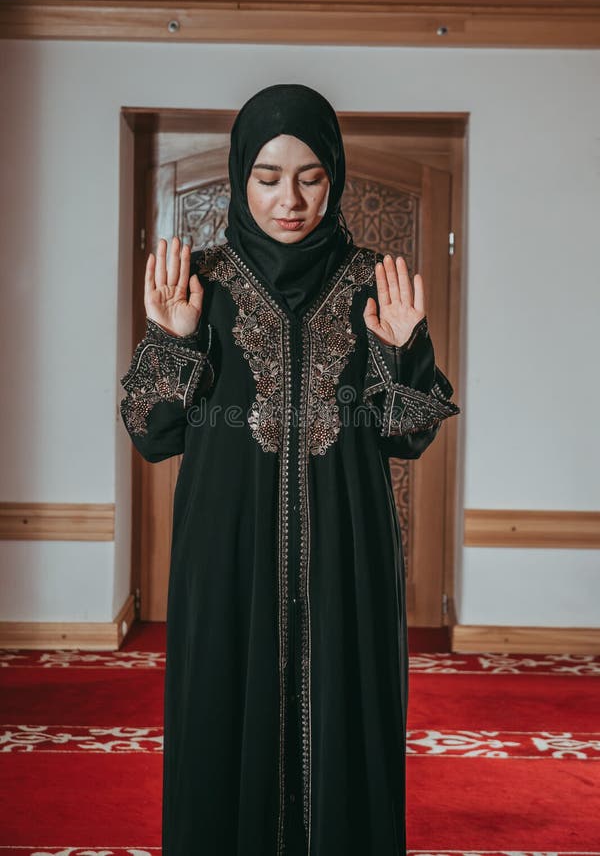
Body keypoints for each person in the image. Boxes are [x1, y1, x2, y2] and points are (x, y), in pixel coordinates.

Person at [119, 83, 460, 856]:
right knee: (222, 720)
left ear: (334, 177)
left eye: (310, 177)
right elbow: (153, 435)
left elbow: (407, 436)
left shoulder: (371, 284)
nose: (290, 200)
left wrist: (405, 351)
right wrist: (172, 339)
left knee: (347, 722)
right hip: (226, 557)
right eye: (268, 177)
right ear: (241, 176)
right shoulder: (202, 285)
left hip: (347, 557)